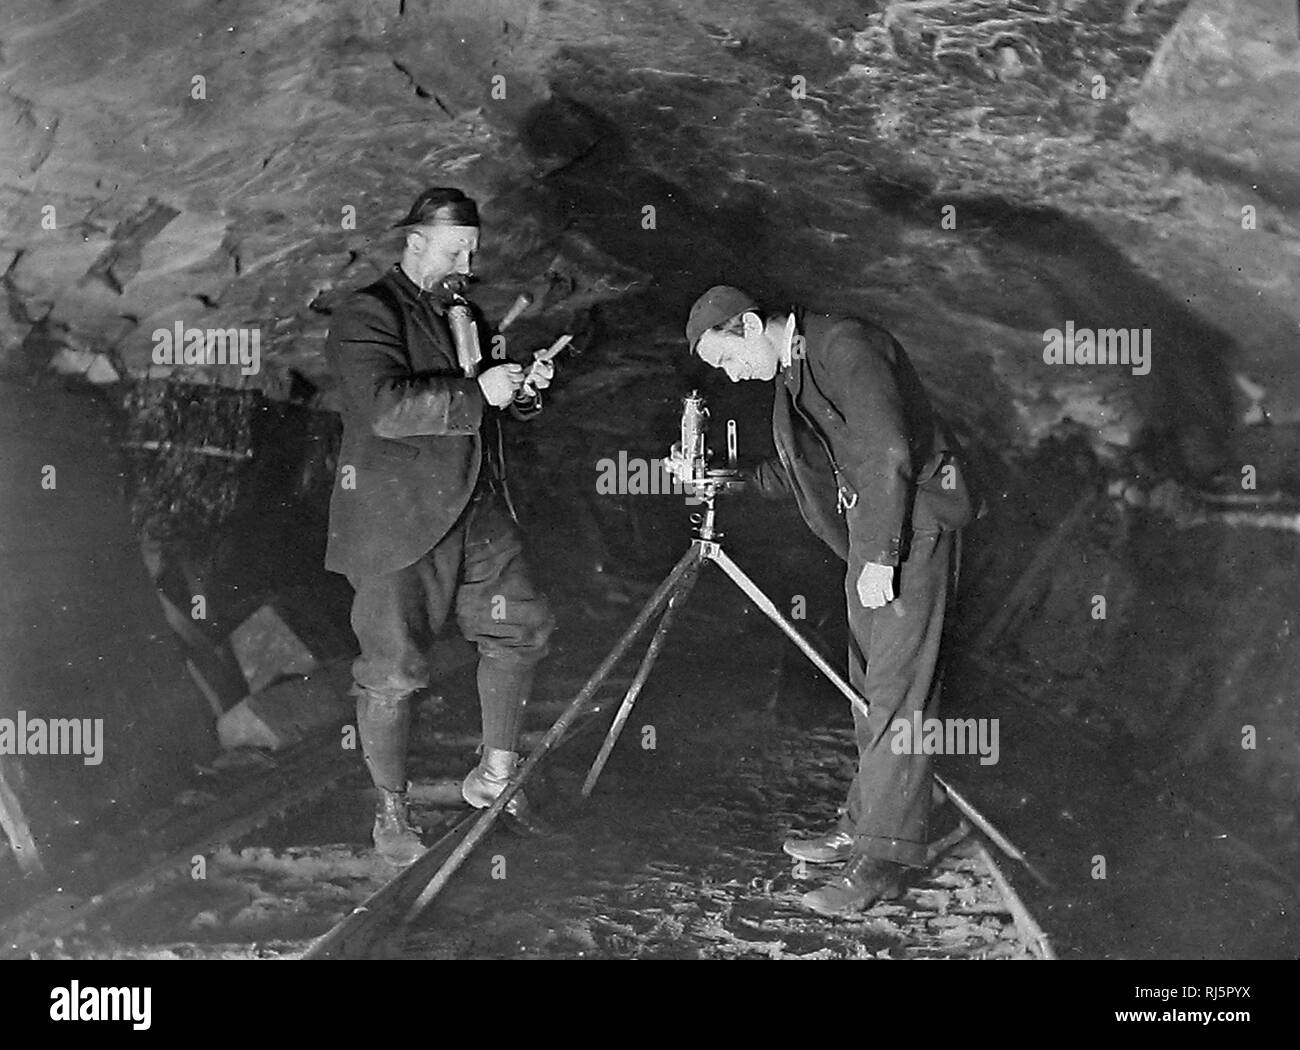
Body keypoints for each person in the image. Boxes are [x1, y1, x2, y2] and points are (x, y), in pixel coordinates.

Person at [684, 285, 976, 916]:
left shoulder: (843, 344)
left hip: (912, 525)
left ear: (750, 325)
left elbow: (889, 452)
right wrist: (724, 477)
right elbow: (810, 467)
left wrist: (880, 557)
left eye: (728, 359)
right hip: (873, 525)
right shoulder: (794, 370)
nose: (733, 374)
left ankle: (885, 859)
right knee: (870, 682)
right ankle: (863, 819)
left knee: (899, 691)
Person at [324, 187, 556, 864]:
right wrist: (476, 393)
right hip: (394, 518)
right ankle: (391, 812)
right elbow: (385, 409)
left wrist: (520, 392)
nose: (468, 261)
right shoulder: (366, 313)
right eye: (457, 248)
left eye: (474, 250)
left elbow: (483, 403)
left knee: (524, 626)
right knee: (393, 670)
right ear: (415, 242)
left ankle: (495, 776)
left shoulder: (465, 315)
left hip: (472, 508)